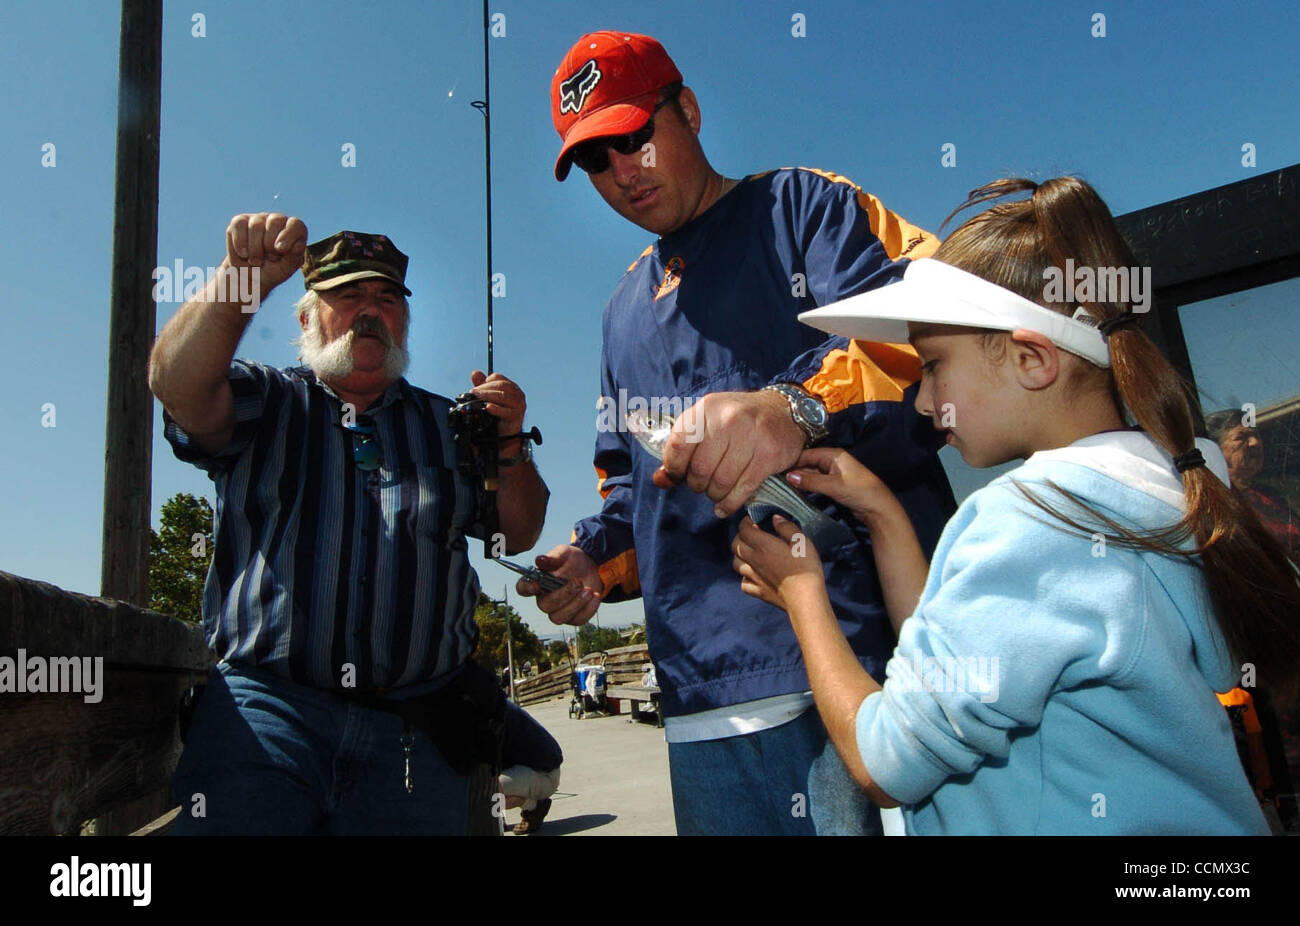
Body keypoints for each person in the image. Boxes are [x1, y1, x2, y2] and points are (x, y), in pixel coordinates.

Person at [732, 176, 1300, 834]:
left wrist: (803, 595)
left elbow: (884, 761)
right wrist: (884, 514)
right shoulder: (1163, 490)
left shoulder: (1032, 519)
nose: (921, 399)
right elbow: (973, 663)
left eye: (935, 364)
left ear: (1033, 358)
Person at [519, 31, 955, 836]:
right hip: (697, 699)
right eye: (595, 159)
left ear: (687, 109)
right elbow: (628, 488)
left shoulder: (803, 204)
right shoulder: (619, 313)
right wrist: (589, 564)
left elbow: (929, 343)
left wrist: (793, 406)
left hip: (853, 668)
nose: (622, 170)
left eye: (636, 136)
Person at [149, 214, 549, 834]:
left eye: (387, 299)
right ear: (307, 318)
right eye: (348, 295)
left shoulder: (450, 425)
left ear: (404, 321)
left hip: (417, 726)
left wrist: (509, 442)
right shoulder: (267, 399)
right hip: (268, 711)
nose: (370, 310)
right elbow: (175, 387)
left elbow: (516, 533)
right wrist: (241, 280)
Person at [499, 700, 564, 835]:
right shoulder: (495, 705)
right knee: (485, 784)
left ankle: (533, 807)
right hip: (537, 769)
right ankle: (497, 820)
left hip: (546, 775)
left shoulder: (495, 717)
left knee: (486, 791)